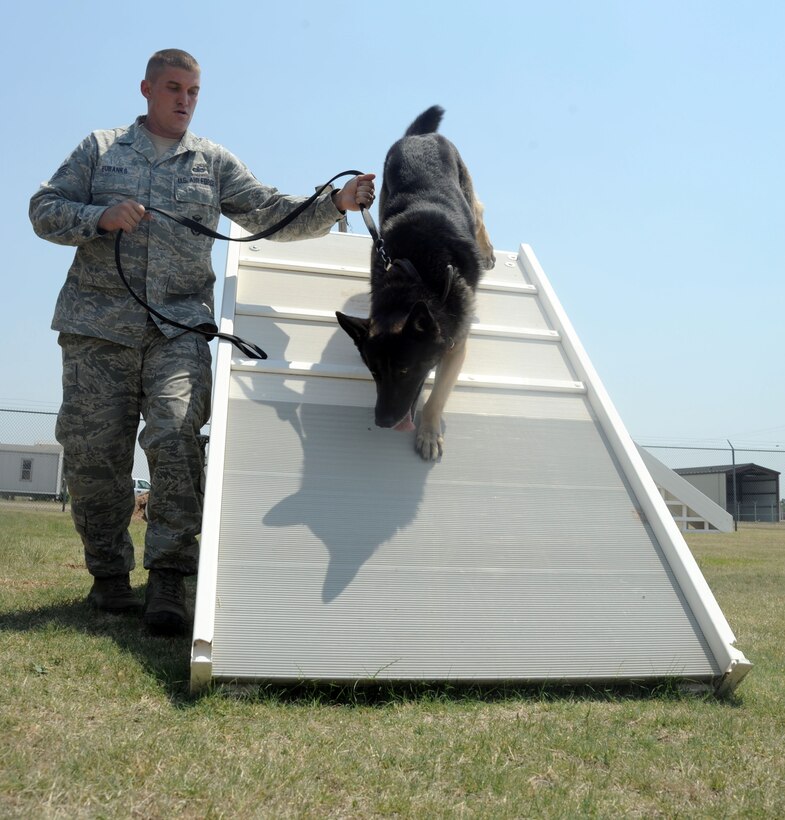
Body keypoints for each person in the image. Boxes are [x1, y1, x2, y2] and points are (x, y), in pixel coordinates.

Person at [29, 48, 375, 635]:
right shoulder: (99, 148)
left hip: (179, 330)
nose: (184, 99)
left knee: (175, 437)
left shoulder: (212, 163)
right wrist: (99, 216)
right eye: (173, 88)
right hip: (97, 332)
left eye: (193, 90)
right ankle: (109, 576)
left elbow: (271, 210)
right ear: (146, 89)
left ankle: (170, 578)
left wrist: (334, 204)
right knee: (93, 459)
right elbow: (42, 210)